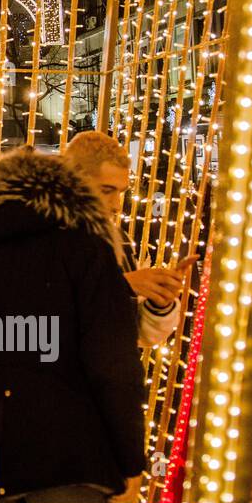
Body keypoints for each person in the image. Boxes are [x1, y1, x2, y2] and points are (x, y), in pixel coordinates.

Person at [0, 147, 147, 503]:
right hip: (69, 460)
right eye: (108, 191)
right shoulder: (87, 253)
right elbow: (113, 367)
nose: (117, 205)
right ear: (75, 191)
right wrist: (130, 461)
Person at [63, 131, 192, 347]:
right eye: (106, 190)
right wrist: (123, 285)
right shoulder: (30, 234)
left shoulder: (116, 240)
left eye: (120, 192)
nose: (115, 205)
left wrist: (159, 303)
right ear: (71, 182)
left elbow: (132, 333)